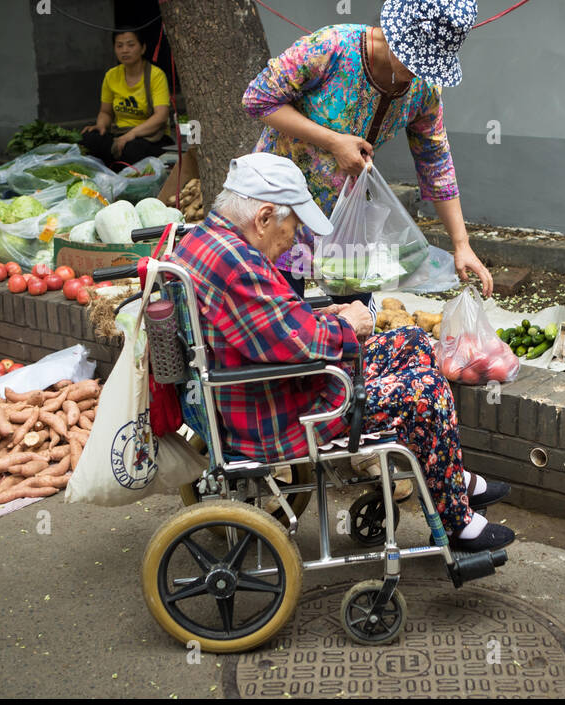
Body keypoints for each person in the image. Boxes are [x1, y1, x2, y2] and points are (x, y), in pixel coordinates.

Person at [169, 153, 514, 551]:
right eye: (293, 226)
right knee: (427, 392)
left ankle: (447, 479)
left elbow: (269, 328)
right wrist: (349, 323)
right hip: (283, 410)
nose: (293, 239)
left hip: (264, 388)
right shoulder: (238, 265)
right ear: (264, 217)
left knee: (413, 342)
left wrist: (323, 316)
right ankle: (457, 519)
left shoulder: (205, 239)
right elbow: (299, 344)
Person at [241, 0, 494, 307]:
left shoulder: (424, 90)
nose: (416, 72)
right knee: (281, 320)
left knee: (355, 321)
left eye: (426, 65)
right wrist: (333, 142)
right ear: (393, 32)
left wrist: (461, 244)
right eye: (412, 59)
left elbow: (435, 161)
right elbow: (257, 99)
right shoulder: (331, 48)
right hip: (281, 209)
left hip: (349, 218)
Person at [81, 28, 171, 167]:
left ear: (142, 48)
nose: (124, 50)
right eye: (119, 45)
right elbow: (106, 112)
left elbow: (161, 116)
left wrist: (132, 134)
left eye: (131, 45)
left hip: (149, 137)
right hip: (120, 133)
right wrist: (101, 125)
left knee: (131, 150)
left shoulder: (156, 75)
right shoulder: (111, 75)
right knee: (88, 139)